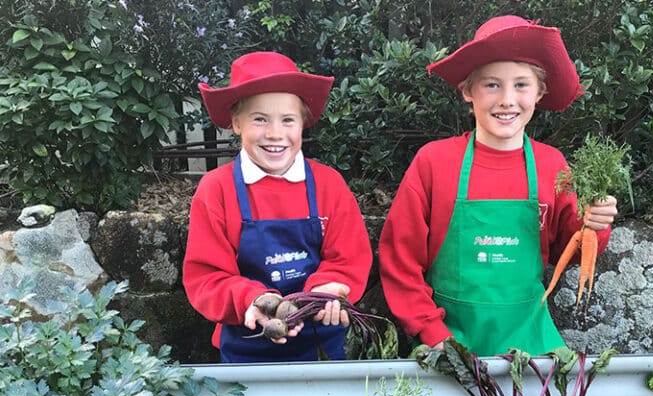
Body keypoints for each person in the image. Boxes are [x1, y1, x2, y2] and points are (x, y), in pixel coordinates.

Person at [378, 15, 618, 356]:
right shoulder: (434, 162)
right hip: (447, 341)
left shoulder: (552, 165)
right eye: (492, 85)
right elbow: (400, 260)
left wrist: (595, 225)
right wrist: (433, 333)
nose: (507, 99)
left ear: (539, 93)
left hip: (531, 340)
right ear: (467, 91)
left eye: (521, 85)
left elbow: (573, 245)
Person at [183, 51, 373, 363]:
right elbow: (207, 276)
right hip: (247, 345)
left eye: (288, 120)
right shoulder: (216, 189)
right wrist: (254, 299)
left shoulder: (329, 185)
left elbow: (349, 259)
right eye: (260, 119)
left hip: (321, 342)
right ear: (236, 122)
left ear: (303, 123)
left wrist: (325, 292)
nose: (275, 134)